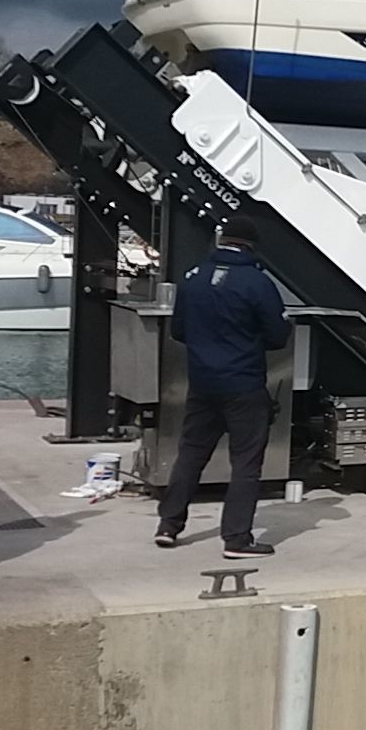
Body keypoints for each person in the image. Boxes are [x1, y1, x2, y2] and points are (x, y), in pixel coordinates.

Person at [155, 215, 290, 558]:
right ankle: (236, 539)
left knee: (190, 455)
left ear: (221, 240)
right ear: (252, 246)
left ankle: (169, 526)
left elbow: (179, 331)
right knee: (245, 462)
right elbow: (276, 337)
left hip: (202, 383)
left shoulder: (194, 277)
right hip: (243, 385)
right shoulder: (258, 284)